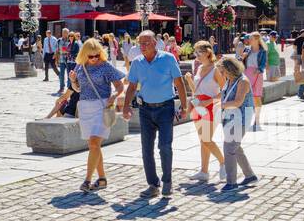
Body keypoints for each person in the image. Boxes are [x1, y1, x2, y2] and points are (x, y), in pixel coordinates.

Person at [122, 30, 187, 200]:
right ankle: (152, 185)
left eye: (146, 43)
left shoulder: (168, 59)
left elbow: (179, 83)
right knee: (146, 150)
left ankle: (167, 182)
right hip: (145, 110)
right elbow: (131, 86)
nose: (142, 47)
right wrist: (126, 106)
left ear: (154, 43)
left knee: (165, 146)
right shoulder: (137, 62)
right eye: (140, 43)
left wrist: (184, 107)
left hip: (165, 108)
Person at [69, 37, 126, 194]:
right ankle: (102, 179)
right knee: (94, 146)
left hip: (102, 107)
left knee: (94, 144)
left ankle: (87, 180)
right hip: (85, 107)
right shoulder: (80, 66)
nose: (94, 59)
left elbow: (120, 86)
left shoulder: (105, 66)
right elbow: (78, 89)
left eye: (96, 55)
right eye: (90, 56)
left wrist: (114, 97)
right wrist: (73, 81)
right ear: (84, 54)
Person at [216, 54, 258, 193]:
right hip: (230, 117)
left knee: (229, 148)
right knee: (236, 147)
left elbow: (238, 102)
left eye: (223, 71)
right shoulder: (230, 80)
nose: (221, 74)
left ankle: (231, 182)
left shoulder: (243, 81)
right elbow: (224, 95)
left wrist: (221, 105)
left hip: (241, 117)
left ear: (230, 69)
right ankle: (250, 176)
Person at [185, 40, 225, 181]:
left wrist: (210, 100)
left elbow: (224, 91)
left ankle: (223, 162)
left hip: (211, 107)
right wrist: (190, 80)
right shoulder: (200, 68)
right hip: (198, 106)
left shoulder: (215, 69)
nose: (196, 55)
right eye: (195, 52)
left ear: (207, 53)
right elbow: (197, 91)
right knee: (203, 140)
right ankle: (204, 171)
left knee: (206, 139)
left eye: (198, 52)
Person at [239, 31, 267, 128]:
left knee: (257, 97)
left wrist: (259, 70)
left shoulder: (262, 51)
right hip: (247, 74)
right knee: (245, 96)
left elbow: (263, 64)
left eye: (250, 38)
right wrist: (242, 57)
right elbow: (240, 60)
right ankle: (245, 118)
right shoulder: (247, 49)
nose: (248, 40)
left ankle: (257, 120)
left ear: (256, 39)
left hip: (257, 75)